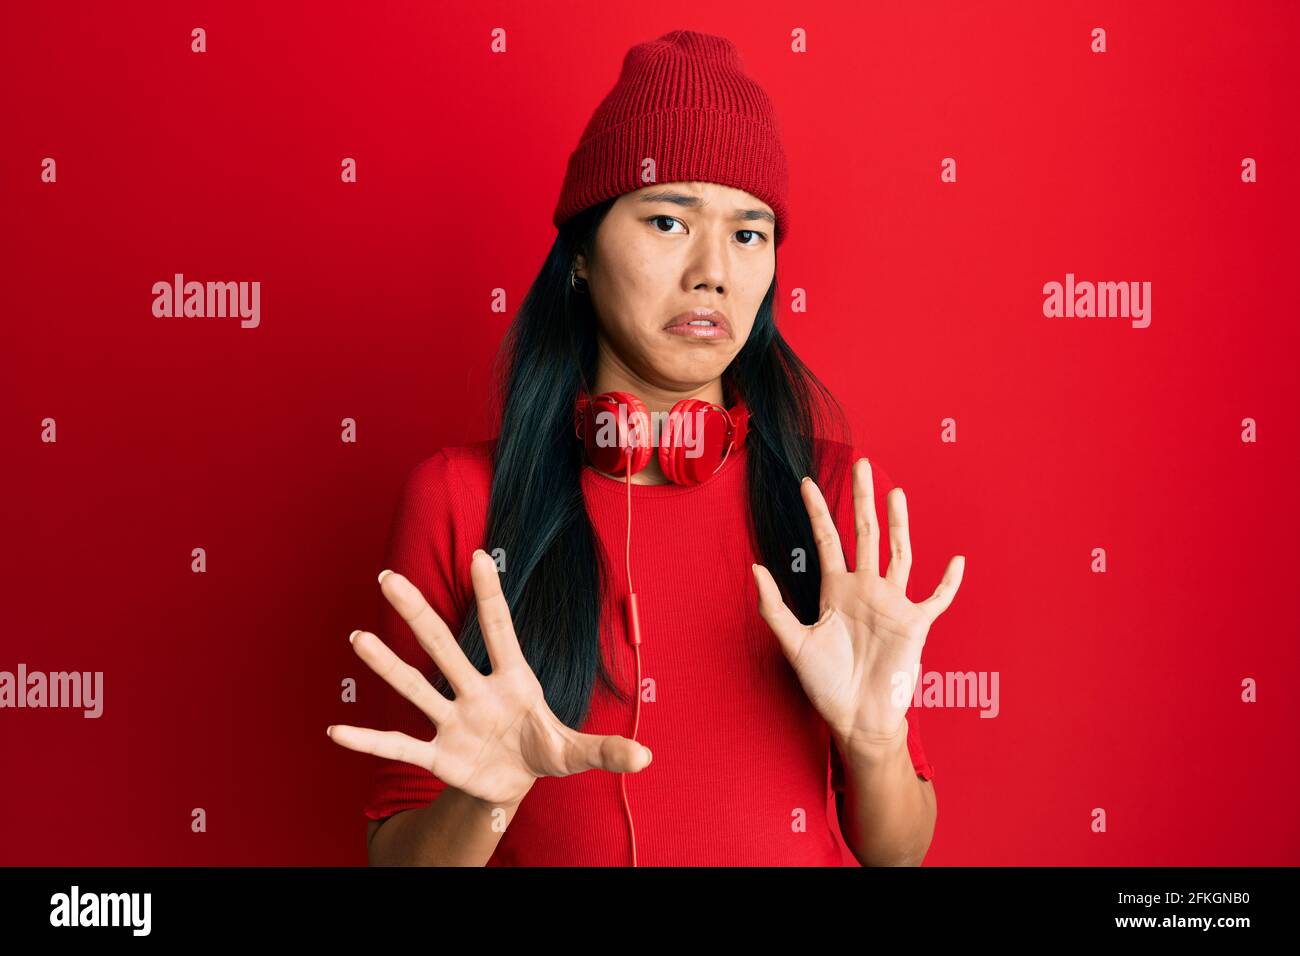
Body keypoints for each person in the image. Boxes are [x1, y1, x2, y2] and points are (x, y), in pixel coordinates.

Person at [326, 29, 964, 866]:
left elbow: (899, 854)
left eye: (750, 233)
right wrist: (487, 796)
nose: (713, 272)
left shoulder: (829, 499)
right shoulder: (457, 501)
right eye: (668, 219)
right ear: (582, 253)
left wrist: (874, 740)